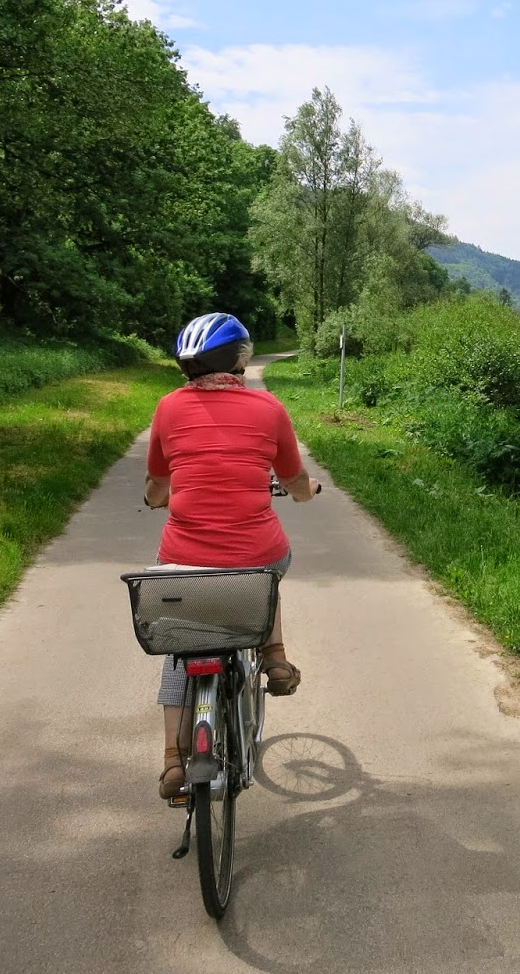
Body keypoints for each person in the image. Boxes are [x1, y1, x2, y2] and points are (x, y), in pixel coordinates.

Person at [142, 312, 320, 800]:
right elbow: (296, 483)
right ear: (242, 360)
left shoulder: (167, 408)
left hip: (185, 561)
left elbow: (158, 484)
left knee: (181, 647)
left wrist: (158, 498)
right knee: (269, 570)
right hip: (253, 558)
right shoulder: (269, 410)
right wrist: (310, 491)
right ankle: (275, 657)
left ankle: (173, 762)